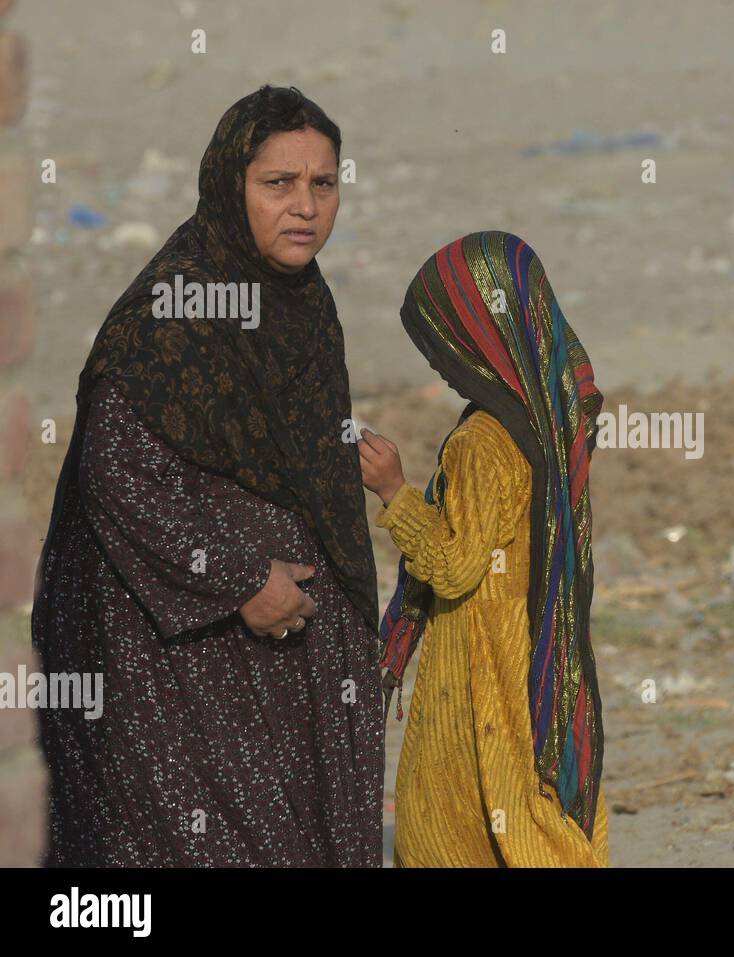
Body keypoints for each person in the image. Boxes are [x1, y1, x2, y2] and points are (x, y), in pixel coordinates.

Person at [30, 86, 383, 866]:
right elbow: (116, 472)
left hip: (271, 657)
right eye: (278, 184)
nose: (305, 206)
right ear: (232, 185)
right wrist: (239, 578)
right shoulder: (179, 302)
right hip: (169, 656)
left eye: (323, 184)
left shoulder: (300, 301)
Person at [359, 230, 609, 867]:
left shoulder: (482, 444)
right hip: (535, 650)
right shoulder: (558, 415)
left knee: (448, 817)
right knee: (524, 804)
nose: (440, 369)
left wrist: (396, 495)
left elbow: (454, 566)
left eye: (444, 349)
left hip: (477, 665)